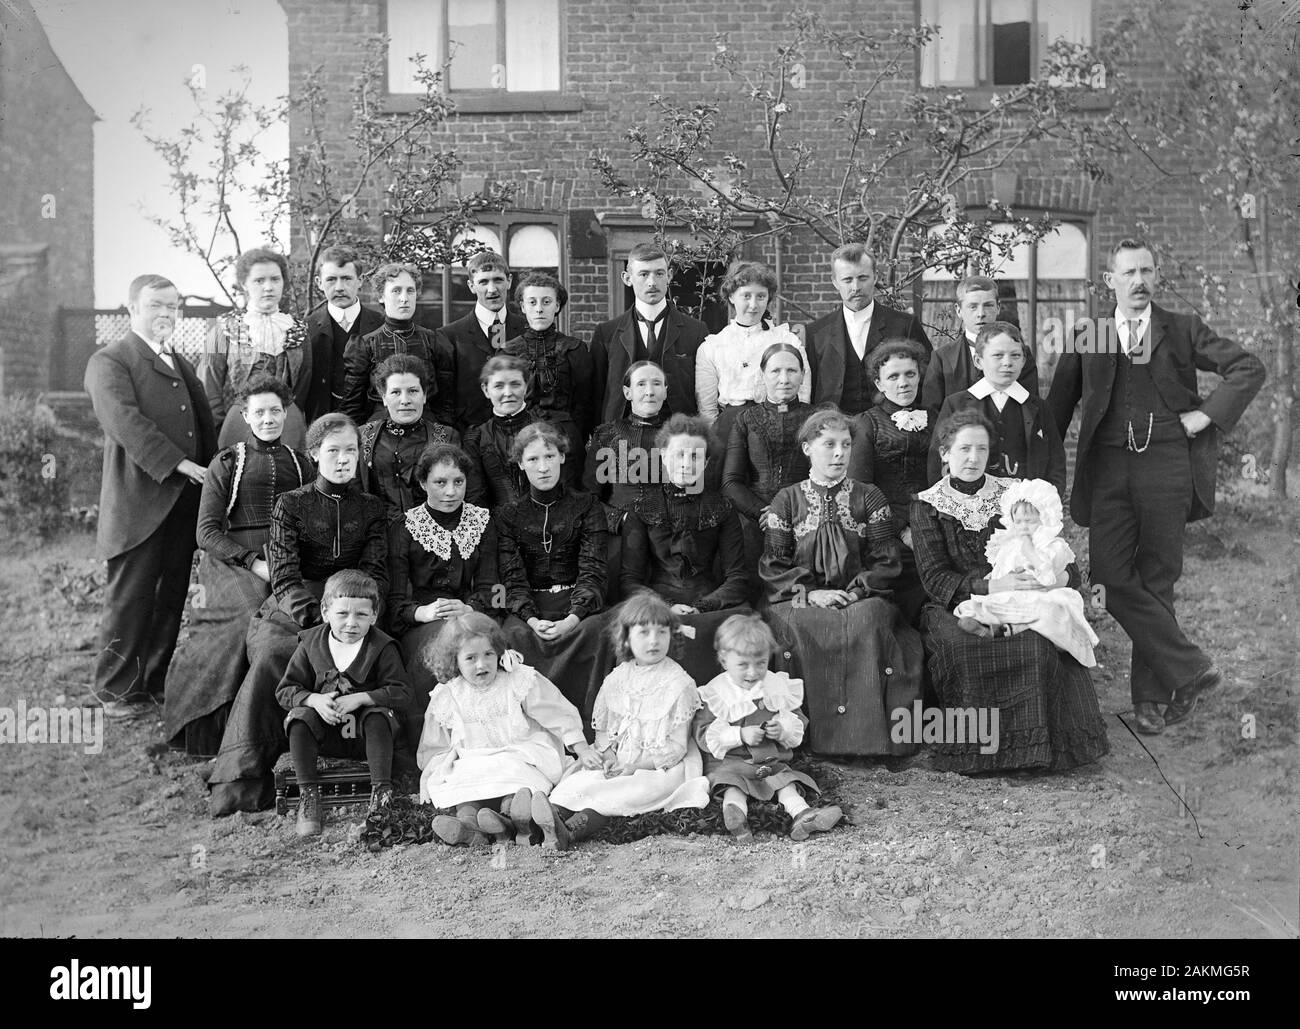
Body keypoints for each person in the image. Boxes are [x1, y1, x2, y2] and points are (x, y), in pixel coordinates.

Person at [1047, 238, 1265, 734]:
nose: (1139, 281)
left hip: (1167, 466)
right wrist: (1041, 478)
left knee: (1157, 577)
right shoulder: (1091, 333)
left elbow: (1248, 367)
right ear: (1111, 281)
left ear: (1156, 276)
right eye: (1129, 273)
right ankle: (1188, 669)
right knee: (1108, 577)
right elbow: (1058, 409)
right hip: (1107, 469)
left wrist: (1207, 415)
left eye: (1147, 271)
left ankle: (1150, 700)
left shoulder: (1181, 328)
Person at [207, 412, 389, 814]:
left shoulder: (374, 509)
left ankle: (378, 774)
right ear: (314, 456)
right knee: (276, 655)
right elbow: (284, 576)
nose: (343, 460)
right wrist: (317, 623)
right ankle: (246, 779)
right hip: (295, 608)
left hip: (355, 606)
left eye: (351, 451)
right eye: (333, 451)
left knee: (379, 654)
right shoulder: (290, 504)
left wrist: (351, 617)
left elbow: (376, 574)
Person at [910, 409, 1109, 773]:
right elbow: (935, 579)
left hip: (1024, 598)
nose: (972, 458)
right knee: (964, 648)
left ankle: (1038, 751)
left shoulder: (1014, 496)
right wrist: (992, 584)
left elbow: (1057, 553)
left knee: (1037, 643)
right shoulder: (927, 505)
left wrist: (1056, 580)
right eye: (964, 449)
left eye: (981, 450)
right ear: (944, 453)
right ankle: (980, 752)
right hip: (955, 602)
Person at [84, 273, 218, 719]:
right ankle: (115, 691)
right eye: (156, 305)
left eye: (172, 306)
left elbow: (201, 419)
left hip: (182, 501)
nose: (166, 314)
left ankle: (153, 683)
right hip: (139, 501)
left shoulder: (178, 360)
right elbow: (125, 422)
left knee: (170, 596)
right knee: (130, 598)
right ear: (132, 309)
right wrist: (180, 463)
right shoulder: (110, 361)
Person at [758, 409, 923, 756]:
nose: (839, 453)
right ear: (807, 448)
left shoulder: (870, 496)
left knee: (869, 620)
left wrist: (857, 590)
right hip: (801, 596)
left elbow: (885, 559)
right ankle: (810, 736)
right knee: (797, 624)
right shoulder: (786, 500)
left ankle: (865, 739)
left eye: (846, 445)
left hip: (860, 596)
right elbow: (775, 562)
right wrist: (814, 592)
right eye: (829, 444)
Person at [164, 374, 310, 755]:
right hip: (232, 560)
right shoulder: (227, 463)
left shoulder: (302, 463)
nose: (268, 420)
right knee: (250, 617)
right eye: (259, 412)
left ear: (285, 414)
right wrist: (253, 562)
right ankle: (218, 732)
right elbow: (207, 533)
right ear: (245, 415)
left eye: (275, 411)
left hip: (289, 558)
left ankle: (282, 729)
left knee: (298, 619)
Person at [534, 593, 710, 849]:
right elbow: (606, 730)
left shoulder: (678, 684)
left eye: (662, 632)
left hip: (659, 764)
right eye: (644, 633)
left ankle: (571, 831)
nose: (654, 641)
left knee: (630, 790)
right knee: (583, 781)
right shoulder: (618, 678)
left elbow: (677, 747)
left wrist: (637, 765)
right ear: (626, 638)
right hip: (620, 757)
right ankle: (546, 819)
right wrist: (608, 756)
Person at [416, 613, 597, 847]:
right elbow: (435, 743)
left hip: (519, 753)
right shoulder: (449, 693)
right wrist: (435, 768)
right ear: (454, 661)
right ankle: (469, 827)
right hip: (475, 758)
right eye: (470, 658)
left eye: (488, 654)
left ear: (499, 652)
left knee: (515, 778)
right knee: (464, 784)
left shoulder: (516, 680)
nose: (481, 664)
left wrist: (580, 747)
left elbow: (556, 713)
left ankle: (513, 816)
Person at [617, 414, 750, 687]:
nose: (687, 464)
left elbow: (737, 578)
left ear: (707, 462)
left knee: (741, 629)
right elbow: (630, 580)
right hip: (655, 604)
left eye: (695, 456)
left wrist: (700, 607)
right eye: (679, 455)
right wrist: (666, 607)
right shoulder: (642, 506)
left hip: (709, 606)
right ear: (664, 455)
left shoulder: (722, 508)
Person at [277, 570, 411, 836]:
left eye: (361, 615)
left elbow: (402, 693)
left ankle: (382, 795)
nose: (351, 623)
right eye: (342, 614)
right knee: (299, 716)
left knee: (378, 715)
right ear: (326, 611)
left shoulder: (382, 647)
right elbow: (285, 690)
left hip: (367, 740)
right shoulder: (310, 644)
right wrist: (314, 699)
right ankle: (309, 795)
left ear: (374, 615)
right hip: (326, 735)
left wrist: (362, 697)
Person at [386, 442, 499, 745]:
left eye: (458, 482)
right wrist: (421, 612)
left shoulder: (483, 521)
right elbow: (394, 601)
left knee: (504, 642)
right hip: (423, 623)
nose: (451, 492)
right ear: (423, 483)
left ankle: (493, 739)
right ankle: (440, 747)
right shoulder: (404, 526)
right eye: (440, 482)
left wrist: (470, 607)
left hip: (472, 616)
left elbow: (494, 587)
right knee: (439, 651)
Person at [694, 614, 842, 842]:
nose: (753, 673)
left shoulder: (775, 685)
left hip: (771, 764)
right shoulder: (717, 693)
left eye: (760, 663)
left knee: (786, 782)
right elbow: (703, 734)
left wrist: (782, 729)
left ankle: (802, 814)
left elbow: (797, 719)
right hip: (732, 765)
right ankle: (736, 817)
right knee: (732, 786)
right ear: (724, 661)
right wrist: (739, 735)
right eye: (742, 665)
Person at [496, 422, 609, 713]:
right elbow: (511, 577)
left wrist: (572, 618)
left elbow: (593, 569)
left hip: (577, 605)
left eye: (549, 456)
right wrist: (532, 619)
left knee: (596, 631)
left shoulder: (587, 506)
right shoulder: (508, 515)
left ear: (561, 457)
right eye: (533, 459)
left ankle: (588, 723)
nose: (543, 467)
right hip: (531, 606)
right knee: (512, 636)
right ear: (521, 464)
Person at [952, 478, 1100, 667]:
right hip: (1013, 594)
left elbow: (1048, 575)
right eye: (1018, 521)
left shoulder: (1050, 545)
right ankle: (992, 627)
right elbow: (1001, 569)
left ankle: (1006, 630)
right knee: (976, 606)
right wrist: (994, 577)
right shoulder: (1009, 543)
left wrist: (1030, 551)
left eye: (1029, 521)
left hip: (1042, 594)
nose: (1023, 527)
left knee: (1048, 612)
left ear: (1044, 518)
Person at [848, 339, 932, 622]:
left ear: (919, 376)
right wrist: (902, 531)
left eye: (910, 374)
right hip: (884, 529)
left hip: (929, 521)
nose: (903, 383)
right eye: (893, 377)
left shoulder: (933, 419)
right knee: (900, 565)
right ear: (879, 384)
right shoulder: (867, 423)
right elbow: (860, 488)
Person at [928, 321, 1065, 495]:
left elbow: (1056, 465)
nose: (1007, 363)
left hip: (1024, 512)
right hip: (971, 509)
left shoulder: (1038, 407)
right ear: (978, 361)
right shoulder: (956, 404)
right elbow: (937, 462)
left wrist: (1045, 504)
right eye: (998, 355)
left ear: (1023, 361)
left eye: (1015, 355)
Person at [722, 342, 814, 589]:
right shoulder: (746, 419)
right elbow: (730, 482)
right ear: (763, 375)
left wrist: (793, 513)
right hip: (755, 519)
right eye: (775, 371)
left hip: (806, 515)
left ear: (802, 375)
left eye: (792, 371)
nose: (784, 379)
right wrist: (768, 514)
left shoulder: (816, 418)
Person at [200, 247, 309, 449]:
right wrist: (220, 424)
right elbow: (208, 385)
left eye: (275, 279)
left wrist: (291, 413)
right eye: (259, 281)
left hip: (288, 423)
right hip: (240, 423)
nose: (268, 287)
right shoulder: (223, 328)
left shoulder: (298, 330)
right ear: (244, 284)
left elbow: (303, 385)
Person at [805, 243, 931, 415]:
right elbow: (809, 391)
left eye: (863, 278)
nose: (856, 287)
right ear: (835, 282)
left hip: (892, 431)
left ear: (875, 277)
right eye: (847, 280)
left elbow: (928, 381)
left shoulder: (904, 325)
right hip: (835, 432)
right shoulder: (816, 333)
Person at [590, 242, 709, 423]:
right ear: (627, 278)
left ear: (669, 276)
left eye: (659, 273)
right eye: (644, 274)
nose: (652, 282)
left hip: (677, 438)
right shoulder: (606, 334)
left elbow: (703, 393)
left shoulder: (696, 331)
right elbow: (596, 395)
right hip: (622, 438)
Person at [694, 261, 809, 447]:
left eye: (761, 296)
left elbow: (803, 391)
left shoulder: (786, 340)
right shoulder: (713, 347)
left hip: (779, 424)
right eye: (746, 296)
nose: (753, 305)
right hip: (729, 431)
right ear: (731, 296)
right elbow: (707, 409)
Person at [341, 262, 450, 425]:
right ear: (381, 296)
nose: (404, 298)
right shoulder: (365, 345)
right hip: (379, 431)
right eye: (396, 291)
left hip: (426, 429)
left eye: (410, 291)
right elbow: (353, 407)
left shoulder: (433, 341)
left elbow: (446, 405)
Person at [463, 355, 577, 509]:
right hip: (498, 525)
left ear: (526, 386)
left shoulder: (550, 429)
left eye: (515, 384)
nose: (508, 393)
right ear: (486, 390)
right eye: (499, 386)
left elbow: (567, 484)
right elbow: (475, 496)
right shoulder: (478, 437)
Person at [357, 353, 459, 519]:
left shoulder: (447, 438)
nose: (405, 400)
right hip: (377, 535)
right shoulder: (363, 436)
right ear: (384, 398)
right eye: (396, 392)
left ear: (424, 395)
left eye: (412, 391)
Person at [501, 270, 598, 444]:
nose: (539, 309)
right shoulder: (508, 352)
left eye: (546, 302)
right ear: (523, 307)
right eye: (532, 302)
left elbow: (585, 404)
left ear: (557, 305)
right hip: (520, 438)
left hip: (567, 439)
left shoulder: (574, 349)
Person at [921, 275, 1038, 418]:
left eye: (988, 305)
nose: (981, 314)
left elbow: (1030, 407)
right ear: (958, 310)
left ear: (998, 307)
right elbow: (932, 414)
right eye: (973, 307)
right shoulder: (943, 358)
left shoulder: (1019, 354)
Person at [437, 251, 527, 433]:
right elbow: (444, 400)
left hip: (522, 434)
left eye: (498, 280)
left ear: (509, 281)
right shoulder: (450, 336)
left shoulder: (527, 330)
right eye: (483, 282)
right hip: (470, 436)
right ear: (471, 286)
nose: (492, 289)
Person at [583, 359, 671, 533]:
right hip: (621, 535)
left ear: (665, 392)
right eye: (641, 384)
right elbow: (589, 497)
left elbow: (694, 491)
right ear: (627, 392)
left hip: (668, 535)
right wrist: (621, 520)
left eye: (656, 384)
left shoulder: (680, 436)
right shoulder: (607, 435)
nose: (650, 392)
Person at [303, 244, 384, 423]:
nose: (339, 287)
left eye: (347, 279)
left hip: (372, 423)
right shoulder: (307, 329)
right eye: (331, 279)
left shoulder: (381, 325)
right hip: (322, 424)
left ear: (360, 280)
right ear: (319, 283)